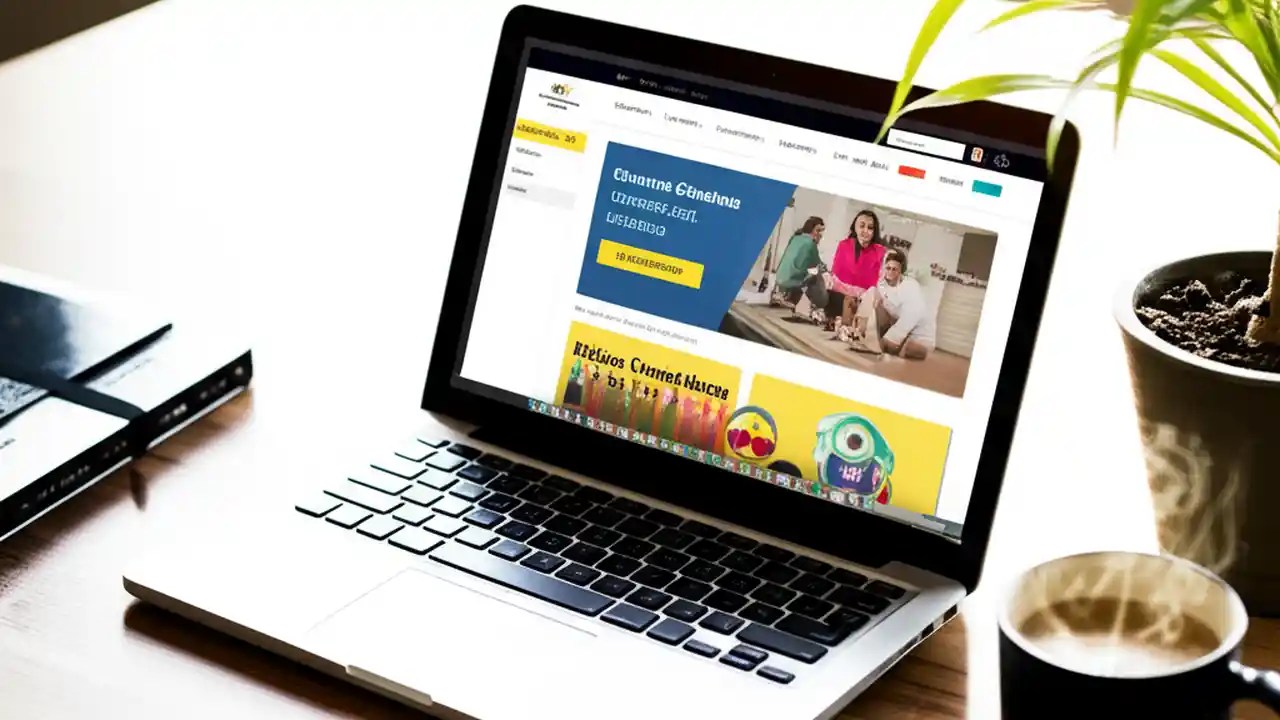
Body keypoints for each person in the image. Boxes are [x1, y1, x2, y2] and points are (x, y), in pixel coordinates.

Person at [848, 249, 936, 359]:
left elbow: (905, 324)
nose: (890, 272)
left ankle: (875, 345)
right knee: (871, 292)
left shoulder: (911, 288)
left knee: (905, 350)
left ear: (900, 271)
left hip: (916, 337)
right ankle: (858, 335)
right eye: (888, 268)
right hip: (893, 325)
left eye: (894, 269)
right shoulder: (881, 284)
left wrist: (881, 344)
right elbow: (871, 302)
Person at [826, 209, 887, 329]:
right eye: (862, 226)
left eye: (870, 228)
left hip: (864, 301)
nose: (865, 231)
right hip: (840, 295)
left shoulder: (880, 252)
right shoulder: (843, 245)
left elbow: (879, 283)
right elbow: (835, 275)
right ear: (855, 226)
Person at [772, 216, 829, 313]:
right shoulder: (811, 244)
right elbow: (817, 265)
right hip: (792, 281)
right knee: (814, 276)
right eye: (818, 231)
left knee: (805, 274)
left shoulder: (795, 238)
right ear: (811, 229)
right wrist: (827, 272)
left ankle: (785, 297)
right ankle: (818, 306)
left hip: (780, 278)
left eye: (822, 232)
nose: (820, 235)